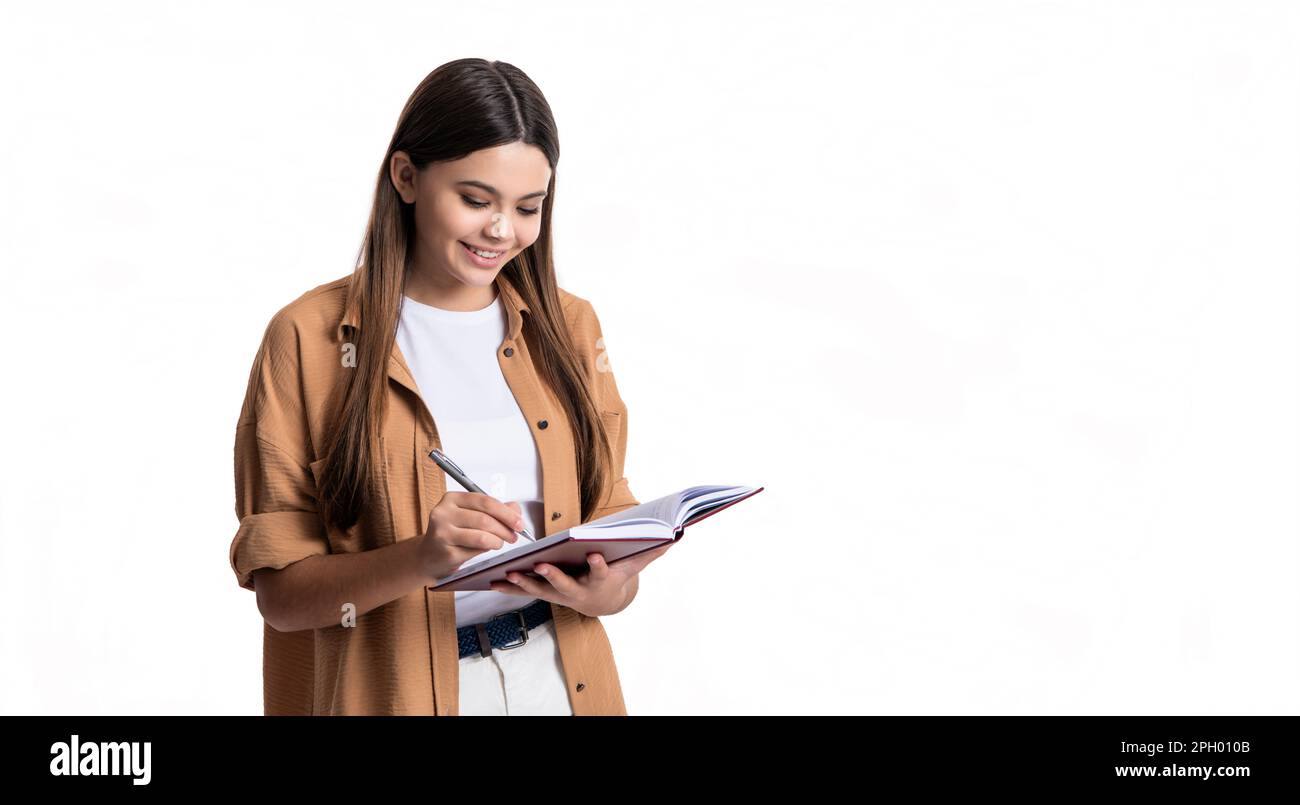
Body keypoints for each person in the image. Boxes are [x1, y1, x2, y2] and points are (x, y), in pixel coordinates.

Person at [228, 58, 671, 716]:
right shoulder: (307, 338)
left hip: (560, 681)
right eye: (475, 199)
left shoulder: (571, 328)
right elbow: (283, 598)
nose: (502, 230)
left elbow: (614, 548)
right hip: (394, 693)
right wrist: (422, 558)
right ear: (406, 177)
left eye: (528, 208)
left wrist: (605, 590)